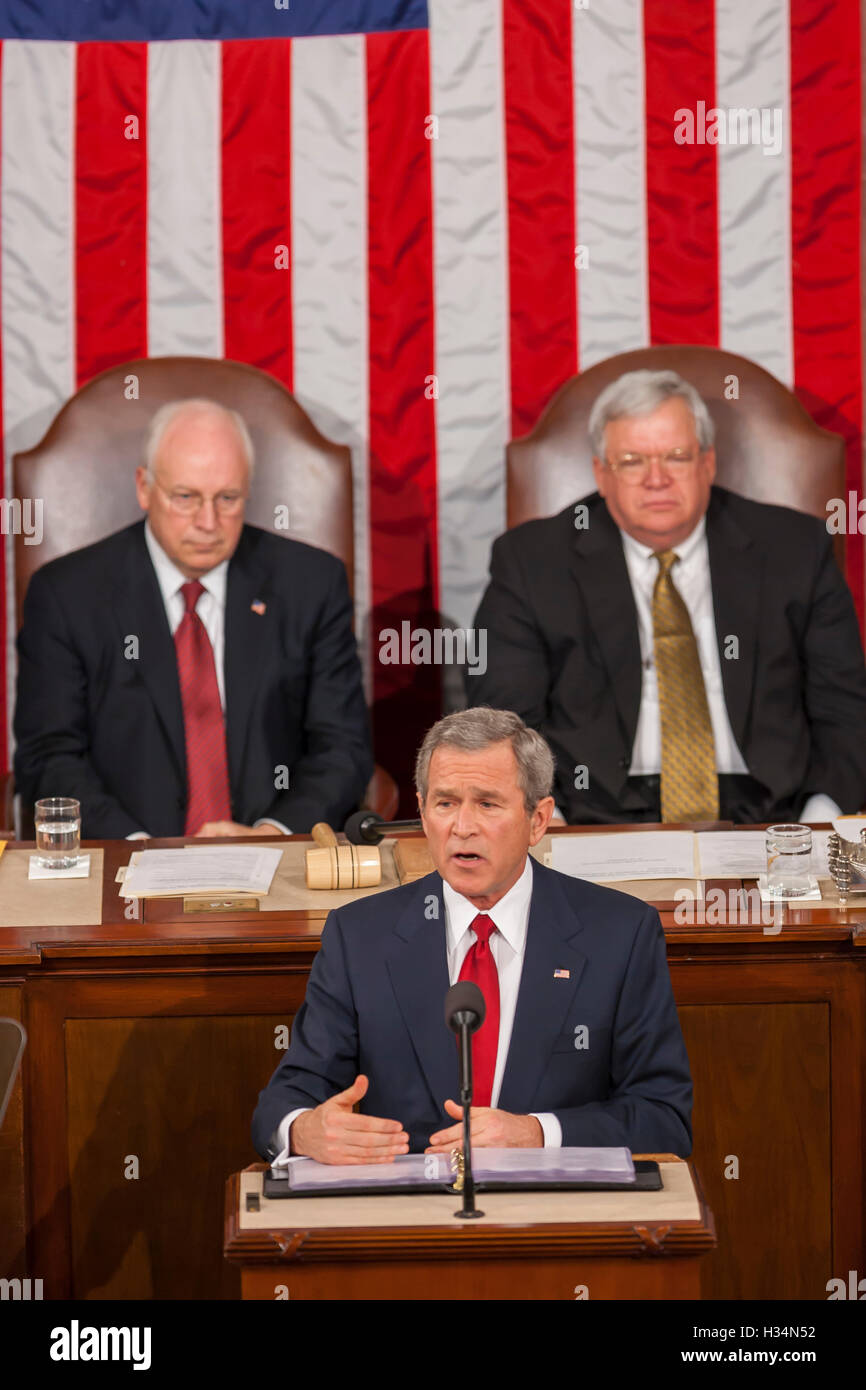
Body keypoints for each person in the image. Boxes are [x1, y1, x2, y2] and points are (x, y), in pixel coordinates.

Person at [252, 708, 692, 1162]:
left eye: (487, 803)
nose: (462, 827)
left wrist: (538, 1134)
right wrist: (304, 1131)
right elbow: (282, 1105)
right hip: (411, 1217)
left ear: (538, 820)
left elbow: (663, 1120)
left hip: (555, 1215)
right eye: (445, 803)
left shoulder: (619, 934)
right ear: (422, 813)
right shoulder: (359, 937)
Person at [468, 370, 866, 825]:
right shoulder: (532, 561)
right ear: (601, 473)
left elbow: (845, 708)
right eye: (632, 460)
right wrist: (548, 828)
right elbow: (505, 721)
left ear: (708, 463)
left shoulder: (794, 548)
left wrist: (820, 821)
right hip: (590, 814)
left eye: (676, 457)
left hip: (772, 813)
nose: (655, 479)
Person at [14, 398, 373, 838]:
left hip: (271, 862)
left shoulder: (311, 584)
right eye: (185, 497)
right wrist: (137, 851)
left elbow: (342, 747)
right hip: (120, 868)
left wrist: (274, 834)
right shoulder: (67, 594)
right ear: (144, 488)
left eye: (228, 498)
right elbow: (49, 755)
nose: (208, 522)